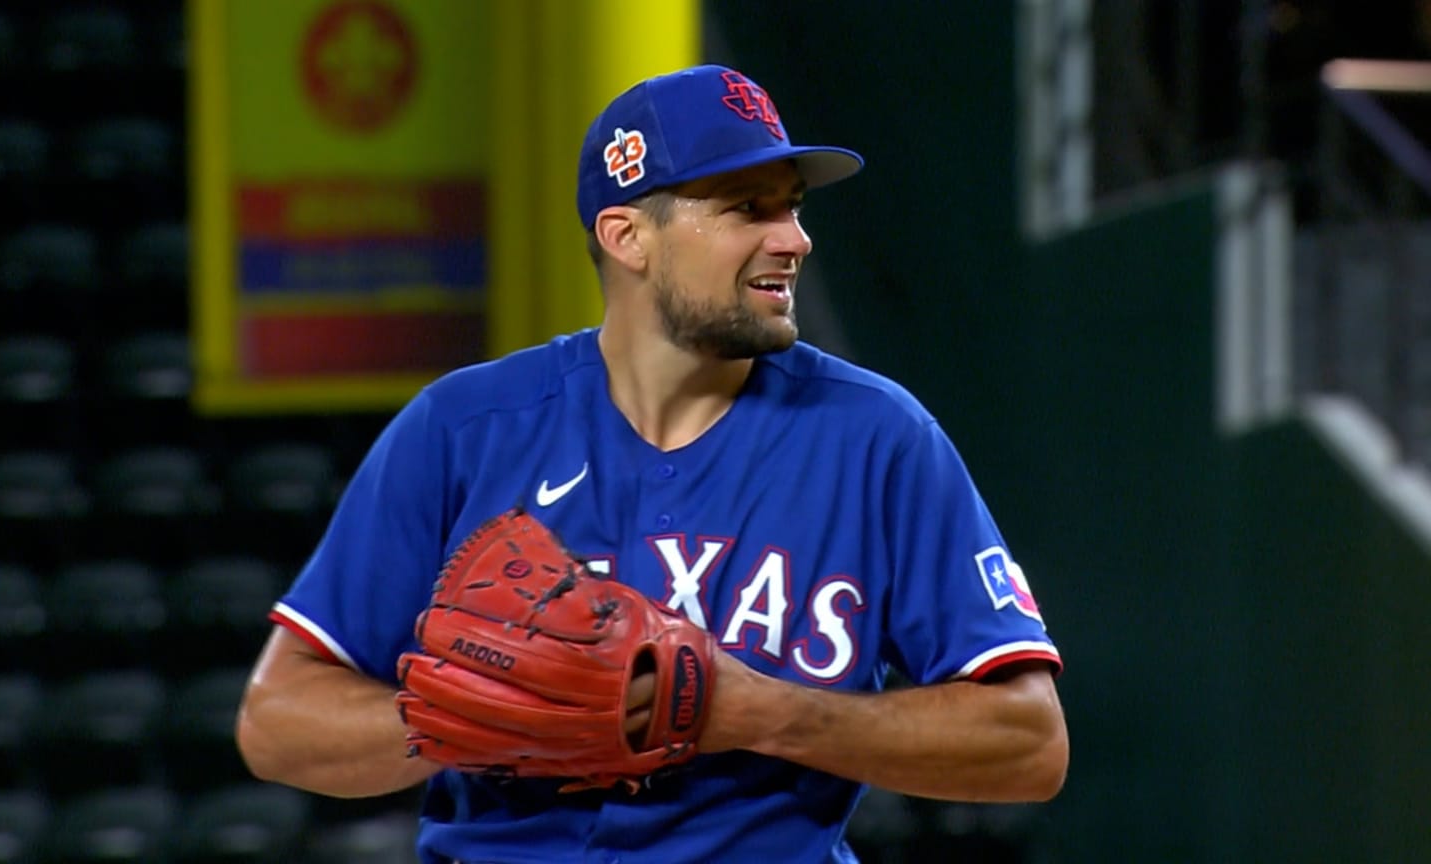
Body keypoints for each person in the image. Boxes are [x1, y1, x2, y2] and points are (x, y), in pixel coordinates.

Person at [236, 63, 1068, 863]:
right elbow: (278, 720)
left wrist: (757, 713)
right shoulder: (466, 428)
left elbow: (1030, 743)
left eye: (794, 206)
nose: (796, 240)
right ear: (627, 236)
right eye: (749, 208)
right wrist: (485, 716)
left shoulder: (876, 437)